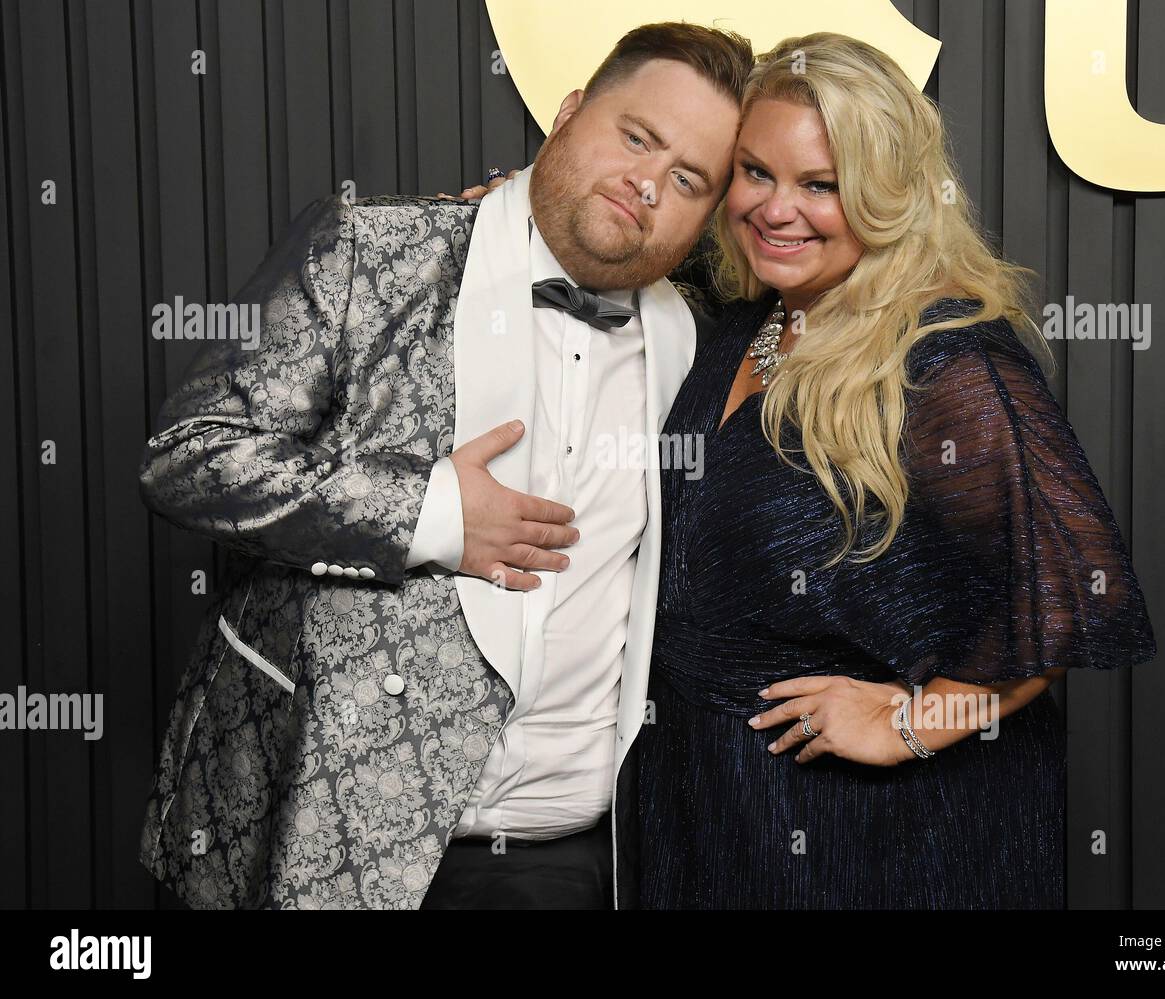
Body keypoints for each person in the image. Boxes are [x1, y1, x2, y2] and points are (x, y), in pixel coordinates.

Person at [135, 21, 753, 909]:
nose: (648, 182)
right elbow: (191, 456)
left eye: (688, 178)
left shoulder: (700, 338)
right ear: (569, 113)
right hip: (329, 830)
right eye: (635, 135)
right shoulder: (374, 252)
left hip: (571, 855)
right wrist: (429, 514)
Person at [625, 32, 1157, 908]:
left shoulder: (944, 360)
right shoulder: (743, 321)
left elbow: (1070, 592)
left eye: (821, 184)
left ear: (887, 195)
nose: (774, 208)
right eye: (754, 172)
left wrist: (912, 722)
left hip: (871, 833)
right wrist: (518, 215)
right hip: (708, 801)